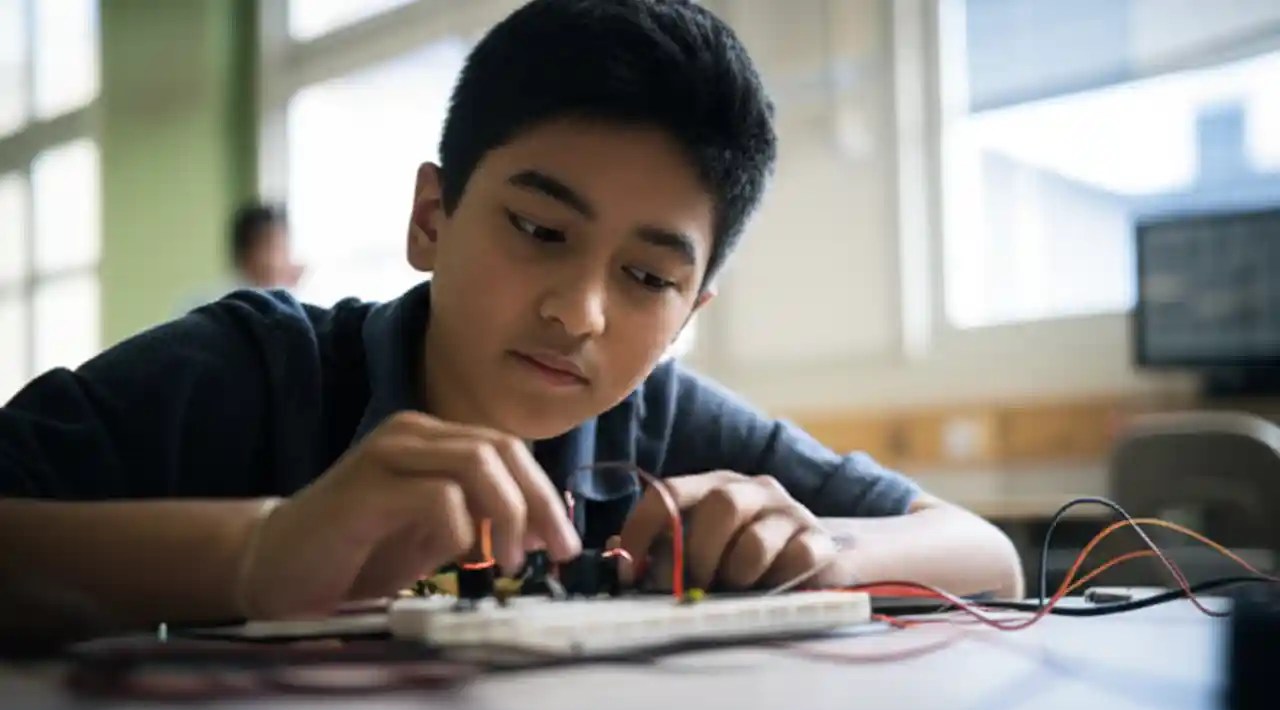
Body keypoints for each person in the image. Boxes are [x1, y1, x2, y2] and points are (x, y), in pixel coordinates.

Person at [0, 0, 1021, 643]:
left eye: (645, 278)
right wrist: (256, 554)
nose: (577, 311)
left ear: (685, 316)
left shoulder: (656, 427)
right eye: (537, 228)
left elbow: (982, 551)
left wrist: (822, 563)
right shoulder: (254, 372)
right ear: (431, 219)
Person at [229, 203, 303, 290]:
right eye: (271, 248)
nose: (276, 261)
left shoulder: (291, 295)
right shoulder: (223, 299)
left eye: (282, 248)